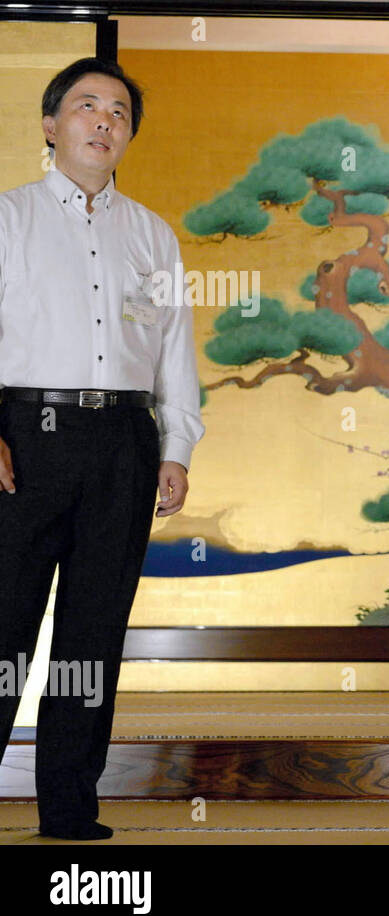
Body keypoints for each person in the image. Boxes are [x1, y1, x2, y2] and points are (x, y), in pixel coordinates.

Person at [0, 58, 204, 840]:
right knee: (7, 628)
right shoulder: (11, 216)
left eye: (118, 111)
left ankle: (68, 811)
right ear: (51, 125)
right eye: (85, 106)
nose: (103, 121)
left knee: (93, 636)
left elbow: (174, 354)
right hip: (25, 438)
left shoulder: (153, 234)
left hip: (124, 442)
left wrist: (176, 445)